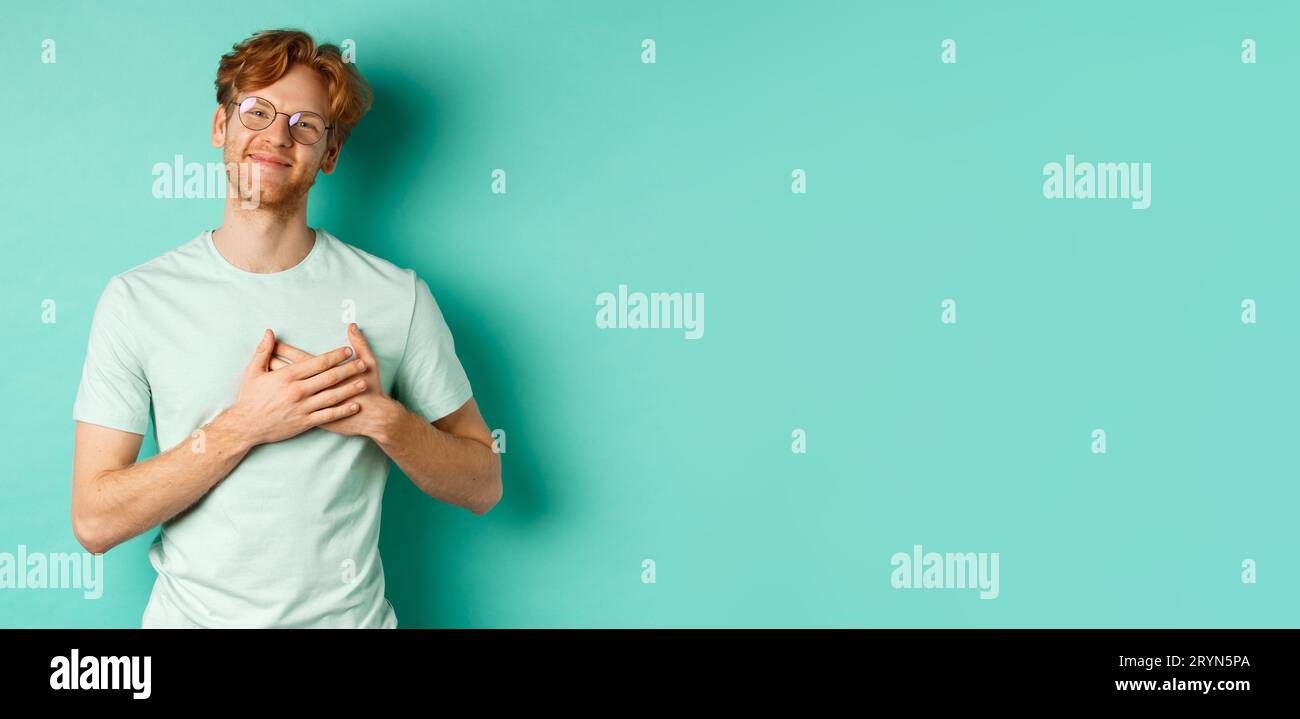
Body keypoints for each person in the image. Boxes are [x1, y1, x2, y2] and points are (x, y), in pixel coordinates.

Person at [70, 28, 501, 628]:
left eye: (305, 124)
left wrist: (384, 419)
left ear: (329, 153)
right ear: (222, 127)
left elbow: (483, 482)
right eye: (258, 111)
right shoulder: (137, 300)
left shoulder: (396, 297)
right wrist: (246, 425)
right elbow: (94, 520)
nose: (277, 135)